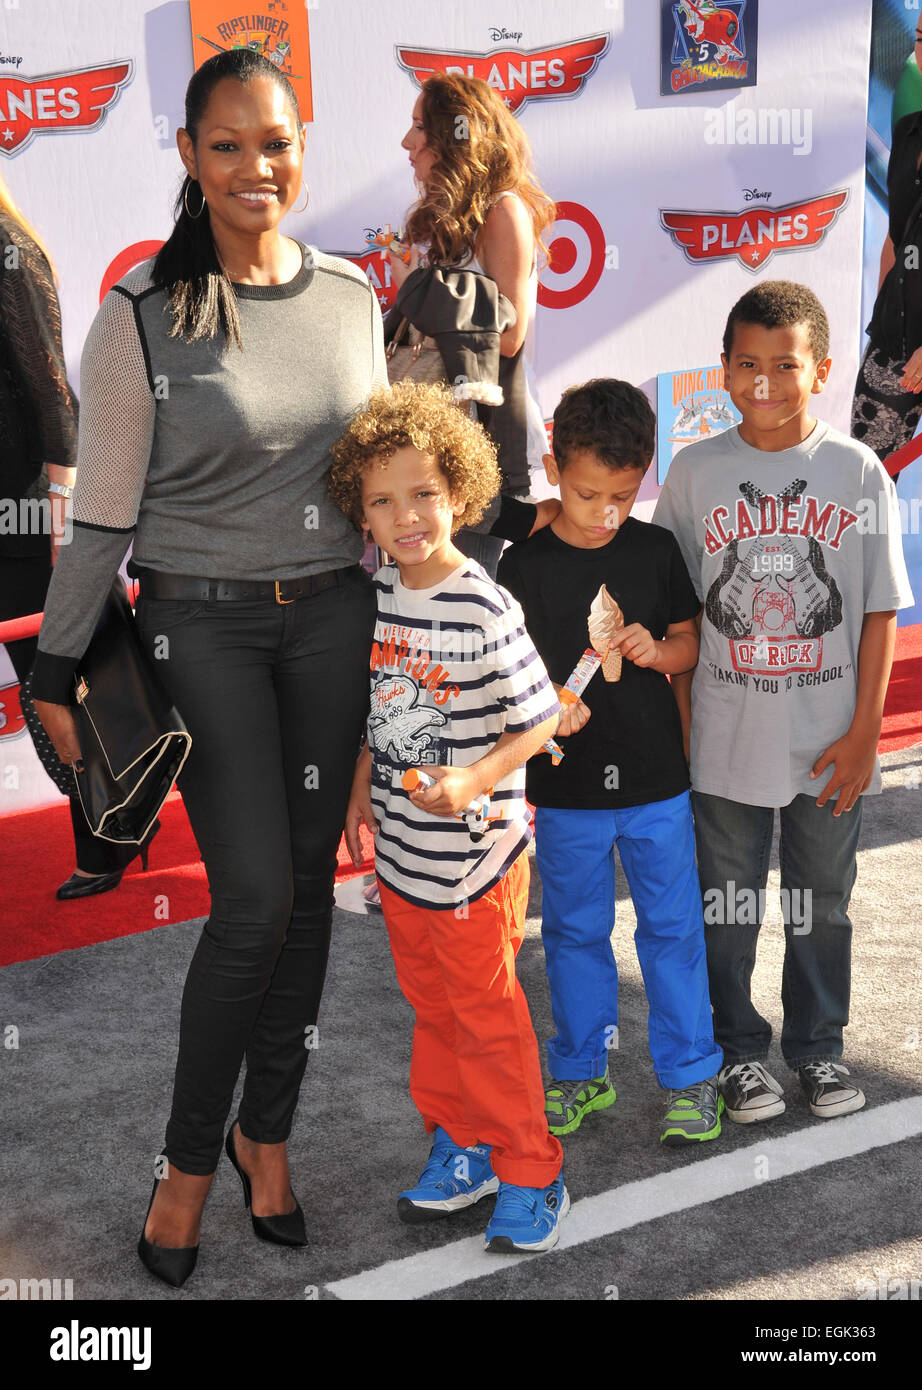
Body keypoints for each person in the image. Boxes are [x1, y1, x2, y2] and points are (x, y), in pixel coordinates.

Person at [30, 49, 385, 1287]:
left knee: (305, 892)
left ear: (303, 147)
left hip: (336, 623)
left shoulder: (351, 297)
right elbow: (105, 516)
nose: (255, 166)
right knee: (250, 902)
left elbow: (379, 495)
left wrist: (406, 657)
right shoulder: (142, 314)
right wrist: (53, 668)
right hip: (203, 627)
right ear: (187, 154)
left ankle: (265, 1135)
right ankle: (188, 1162)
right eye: (226, 144)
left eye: (275, 141)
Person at [654, 281, 913, 1123]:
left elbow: (877, 611)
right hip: (725, 741)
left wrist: (867, 734)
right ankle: (737, 1053)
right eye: (748, 365)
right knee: (725, 907)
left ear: (824, 370)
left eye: (785, 366)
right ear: (723, 369)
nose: (765, 382)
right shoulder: (694, 474)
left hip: (829, 739)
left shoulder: (856, 470)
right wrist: (690, 730)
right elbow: (680, 617)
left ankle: (819, 1051)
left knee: (821, 905)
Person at [332, 381, 568, 1253]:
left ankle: (532, 1173)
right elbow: (382, 707)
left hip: (478, 861)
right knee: (434, 1011)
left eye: (424, 493)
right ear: (359, 514)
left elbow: (541, 718)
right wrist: (361, 778)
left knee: (490, 1019)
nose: (406, 517)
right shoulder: (379, 596)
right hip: (403, 862)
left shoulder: (483, 604)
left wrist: (474, 781)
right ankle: (460, 1144)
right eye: (382, 501)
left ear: (461, 494)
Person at [497, 379, 725, 1146]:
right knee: (572, 934)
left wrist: (659, 651)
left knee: (671, 929)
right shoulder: (521, 565)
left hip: (658, 783)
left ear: (645, 476)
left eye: (622, 497)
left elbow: (691, 643)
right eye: (587, 492)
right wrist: (542, 712)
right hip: (564, 791)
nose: (604, 514)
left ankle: (693, 1076)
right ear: (552, 462)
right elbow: (504, 681)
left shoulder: (657, 548)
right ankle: (580, 1073)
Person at [0, 176, 148, 898]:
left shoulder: (7, 248)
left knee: (57, 682)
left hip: (25, 515)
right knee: (45, 679)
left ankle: (110, 832)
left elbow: (52, 388)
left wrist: (62, 523)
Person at [390, 72, 557, 576]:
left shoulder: (503, 210)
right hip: (429, 440)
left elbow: (508, 337)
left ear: (453, 136)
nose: (407, 141)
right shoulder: (445, 217)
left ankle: (528, 521)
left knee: (461, 602)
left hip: (481, 442)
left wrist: (419, 286)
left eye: (420, 127)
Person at [851, 8, 922, 475]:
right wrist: (884, 319)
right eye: (920, 39)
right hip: (897, 339)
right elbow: (897, 239)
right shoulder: (908, 130)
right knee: (867, 480)